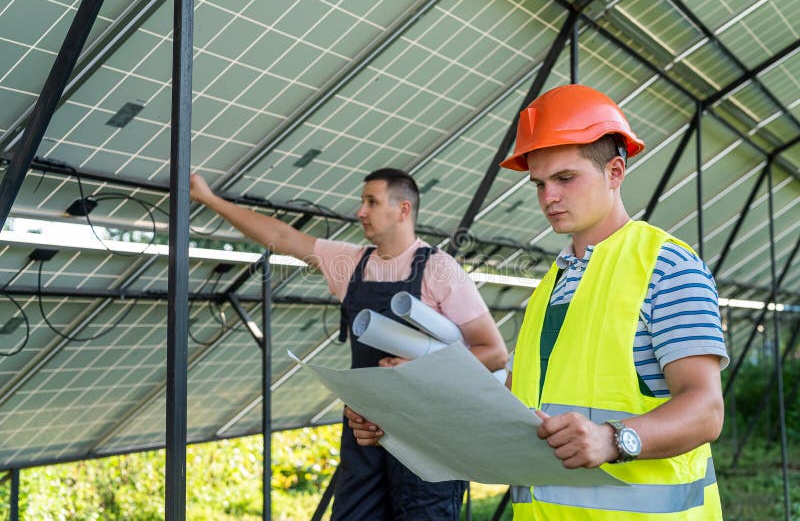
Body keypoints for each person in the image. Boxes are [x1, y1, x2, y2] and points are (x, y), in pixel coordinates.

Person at [189, 168, 507, 520]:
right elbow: (281, 235)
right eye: (362, 202)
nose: (361, 212)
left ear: (403, 210)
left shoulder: (439, 270)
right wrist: (210, 199)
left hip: (428, 436)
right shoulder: (350, 264)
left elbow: (492, 353)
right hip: (365, 431)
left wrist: (418, 370)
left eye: (371, 202)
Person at [498, 85, 728, 519]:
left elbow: (706, 408)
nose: (549, 197)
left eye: (565, 178)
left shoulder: (667, 267)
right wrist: (401, 422)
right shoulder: (549, 286)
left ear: (616, 172)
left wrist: (613, 438)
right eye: (540, 184)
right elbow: (510, 411)